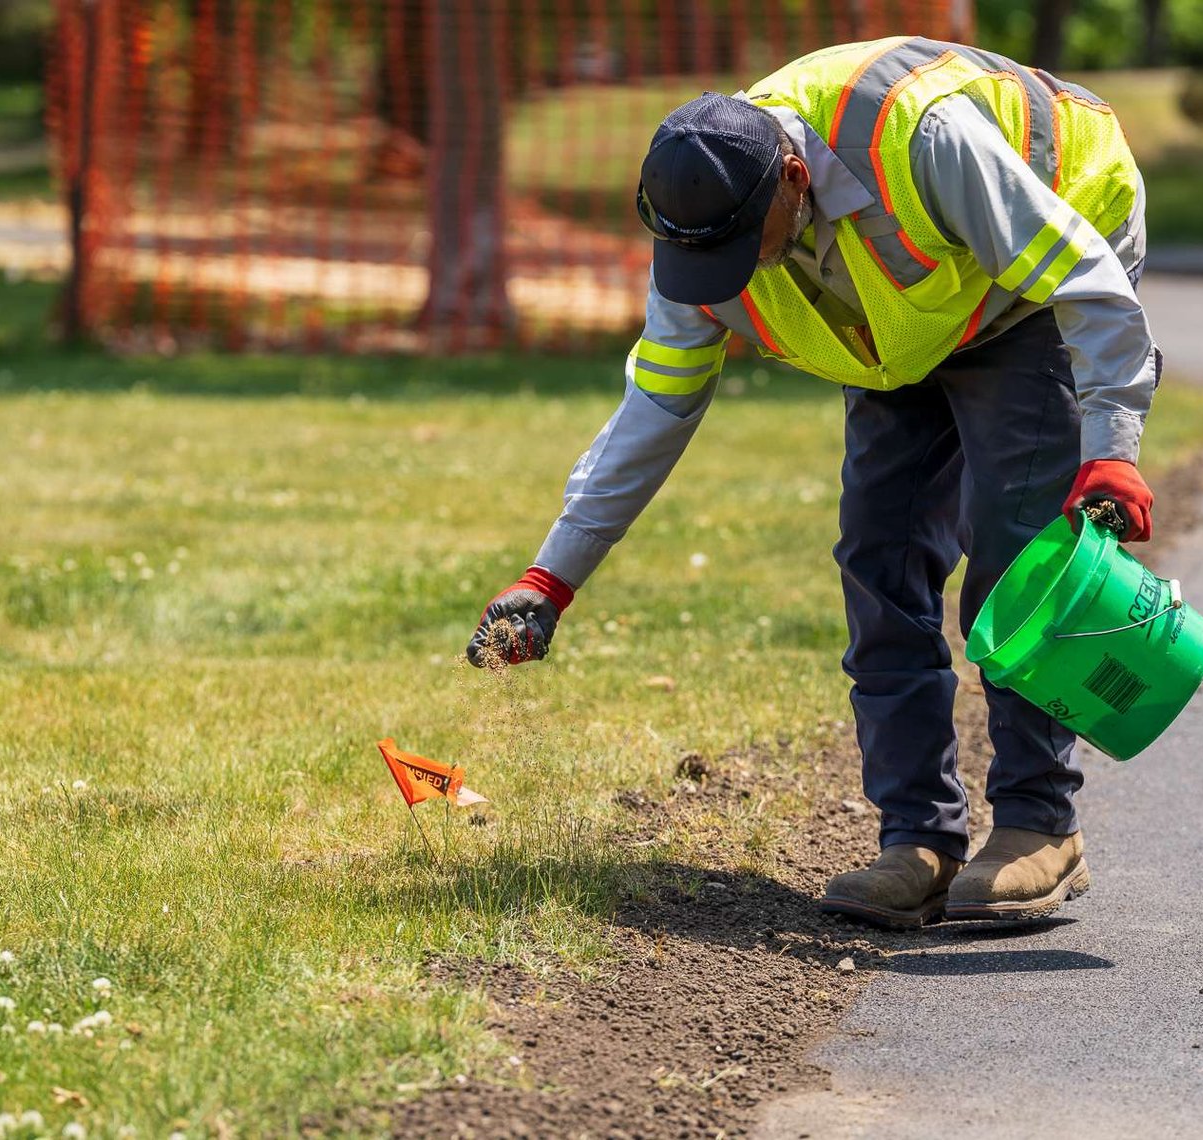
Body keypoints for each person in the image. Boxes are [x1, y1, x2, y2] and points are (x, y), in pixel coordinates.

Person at [467, 36, 1161, 930]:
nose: (732, 274)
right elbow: (655, 410)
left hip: (1038, 273)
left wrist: (1112, 445)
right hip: (901, 327)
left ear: (793, 177)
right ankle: (919, 836)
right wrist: (548, 577)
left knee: (1014, 554)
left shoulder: (920, 142)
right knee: (878, 555)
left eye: (741, 247)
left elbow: (1087, 283)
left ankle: (1038, 825)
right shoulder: (705, 224)